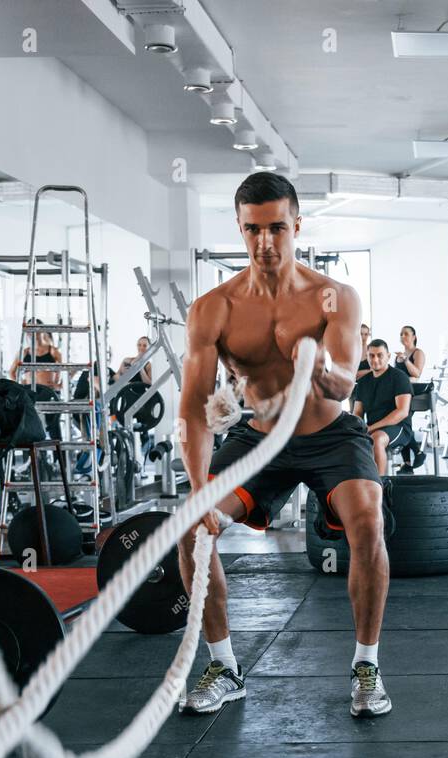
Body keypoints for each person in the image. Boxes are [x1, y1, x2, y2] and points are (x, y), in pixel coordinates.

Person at [177, 171, 393, 719]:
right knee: (188, 529)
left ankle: (366, 665)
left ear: (297, 225)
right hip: (261, 439)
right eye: (253, 230)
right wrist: (200, 484)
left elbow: (347, 382)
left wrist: (320, 367)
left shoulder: (335, 296)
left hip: (330, 435)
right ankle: (224, 664)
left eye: (277, 228)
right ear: (240, 229)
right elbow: (193, 407)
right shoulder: (214, 308)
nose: (265, 243)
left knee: (369, 523)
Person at [351, 339, 413, 475]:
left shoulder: (399, 377)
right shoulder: (362, 383)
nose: (375, 359)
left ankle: (380, 487)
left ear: (388, 356)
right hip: (372, 428)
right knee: (346, 440)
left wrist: (371, 428)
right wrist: (354, 429)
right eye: (371, 355)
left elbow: (402, 412)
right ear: (367, 357)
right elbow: (357, 412)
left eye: (380, 355)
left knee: (376, 439)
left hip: (399, 428)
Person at [9, 331, 64, 441]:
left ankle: (59, 456)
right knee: (29, 423)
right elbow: (12, 372)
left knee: (53, 426)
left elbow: (66, 371)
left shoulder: (53, 350)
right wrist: (20, 385)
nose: (33, 334)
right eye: (30, 332)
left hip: (48, 392)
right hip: (31, 392)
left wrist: (59, 385)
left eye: (37, 330)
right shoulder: (24, 352)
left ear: (42, 332)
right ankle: (34, 455)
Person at [393, 325, 428, 472]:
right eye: (401, 334)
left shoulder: (417, 353)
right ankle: (408, 463)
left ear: (414, 336)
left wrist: (406, 360)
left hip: (411, 393)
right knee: (402, 424)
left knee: (403, 424)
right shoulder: (398, 355)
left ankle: (417, 453)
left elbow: (417, 374)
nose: (403, 336)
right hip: (398, 393)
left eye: (406, 334)